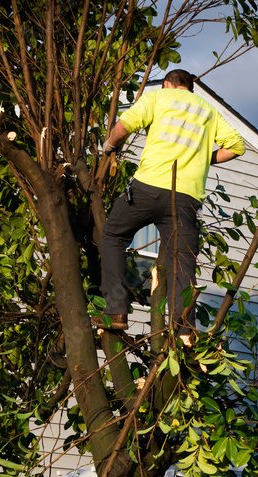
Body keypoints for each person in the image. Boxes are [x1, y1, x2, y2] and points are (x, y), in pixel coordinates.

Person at [94, 69, 245, 335]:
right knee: (182, 262)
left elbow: (123, 126)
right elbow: (236, 146)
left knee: (113, 235)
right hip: (184, 198)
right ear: (190, 88)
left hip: (147, 188)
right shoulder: (208, 110)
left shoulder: (159, 97)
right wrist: (201, 159)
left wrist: (109, 146)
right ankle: (183, 331)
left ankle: (116, 311)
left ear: (167, 84)